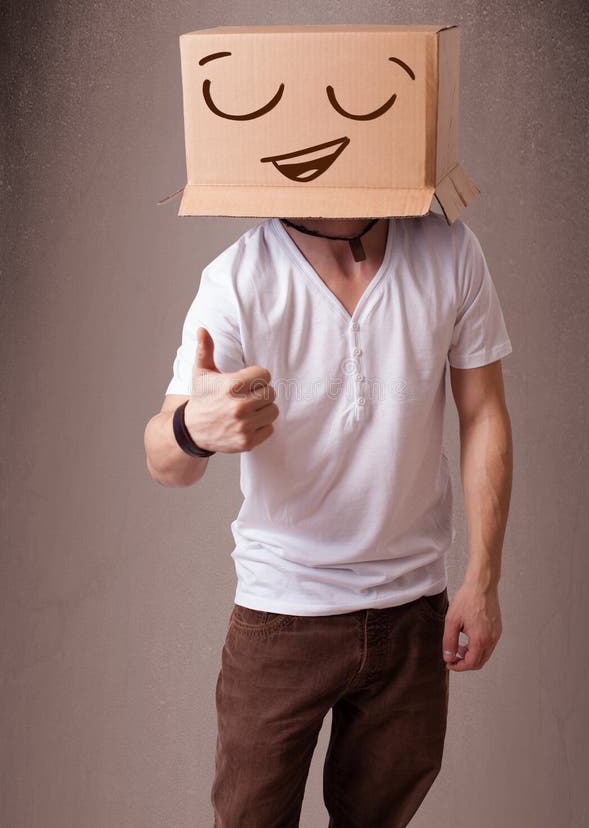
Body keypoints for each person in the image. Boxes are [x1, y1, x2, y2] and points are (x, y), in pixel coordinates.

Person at [144, 211, 513, 827]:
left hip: (412, 611)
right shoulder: (238, 277)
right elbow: (166, 462)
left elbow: (484, 414)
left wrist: (483, 579)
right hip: (283, 612)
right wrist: (192, 430)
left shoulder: (450, 249)